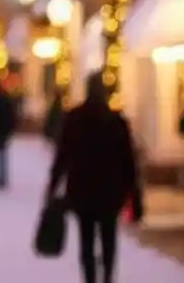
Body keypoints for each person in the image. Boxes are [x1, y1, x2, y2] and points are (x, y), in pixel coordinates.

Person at [45, 72, 139, 283]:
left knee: (86, 240)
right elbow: (128, 160)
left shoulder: (75, 119)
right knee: (109, 238)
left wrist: (53, 185)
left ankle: (89, 278)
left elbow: (62, 156)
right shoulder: (116, 121)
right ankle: (107, 277)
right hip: (110, 191)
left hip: (82, 190)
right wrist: (133, 192)